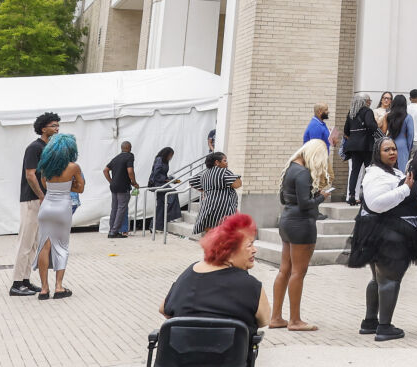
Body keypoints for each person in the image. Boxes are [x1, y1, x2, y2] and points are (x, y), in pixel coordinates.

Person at [346, 136, 417, 341]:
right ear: (378, 154)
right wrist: (404, 189)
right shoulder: (375, 175)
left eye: (394, 149)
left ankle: (370, 322)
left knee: (378, 279)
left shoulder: (392, 172)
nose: (392, 152)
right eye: (386, 150)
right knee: (389, 279)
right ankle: (384, 327)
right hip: (383, 234)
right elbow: (375, 203)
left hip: (381, 232)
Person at [161, 212, 270, 332]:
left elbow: (164, 310)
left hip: (182, 349)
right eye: (250, 245)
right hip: (231, 350)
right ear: (229, 251)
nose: (255, 250)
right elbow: (264, 320)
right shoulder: (251, 286)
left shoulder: (189, 275)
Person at [270, 138, 329, 331]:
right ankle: (295, 320)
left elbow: (282, 197)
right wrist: (321, 196)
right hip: (301, 224)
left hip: (286, 220)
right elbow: (306, 204)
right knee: (298, 272)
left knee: (284, 270)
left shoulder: (290, 168)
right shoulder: (303, 173)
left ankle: (276, 317)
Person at [10, 112, 60, 297]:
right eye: (53, 125)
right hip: (32, 199)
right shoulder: (34, 148)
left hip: (43, 199)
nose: (57, 128)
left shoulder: (48, 148)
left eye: (58, 125)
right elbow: (30, 174)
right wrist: (41, 195)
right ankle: (16, 283)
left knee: (34, 243)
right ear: (43, 128)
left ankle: (25, 280)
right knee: (25, 240)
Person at [35, 133, 85, 299]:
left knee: (44, 246)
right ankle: (58, 287)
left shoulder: (45, 166)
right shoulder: (73, 167)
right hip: (63, 207)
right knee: (61, 247)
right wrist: (67, 186)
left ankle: (43, 289)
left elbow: (45, 186)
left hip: (46, 207)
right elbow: (80, 188)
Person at [193, 151, 241, 233]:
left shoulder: (204, 174)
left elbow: (192, 180)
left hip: (207, 205)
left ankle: (212, 244)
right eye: (225, 161)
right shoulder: (224, 172)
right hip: (223, 206)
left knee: (210, 228)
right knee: (225, 230)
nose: (227, 163)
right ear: (217, 162)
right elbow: (237, 184)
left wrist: (205, 190)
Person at [343, 94, 377, 206]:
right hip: (366, 146)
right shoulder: (367, 111)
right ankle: (368, 195)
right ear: (363, 102)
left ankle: (351, 196)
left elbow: (346, 130)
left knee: (355, 171)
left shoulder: (351, 113)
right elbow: (371, 125)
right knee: (369, 171)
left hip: (353, 147)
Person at [102, 140, 139, 238]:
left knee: (114, 208)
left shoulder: (116, 158)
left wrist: (111, 181)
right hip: (123, 186)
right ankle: (114, 231)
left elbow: (105, 170)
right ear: (129, 148)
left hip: (114, 186)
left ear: (122, 148)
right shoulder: (130, 156)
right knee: (121, 208)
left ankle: (111, 230)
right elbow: (130, 171)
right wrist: (134, 182)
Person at [148, 147, 183, 231]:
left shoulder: (164, 161)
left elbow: (162, 173)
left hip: (162, 183)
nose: (171, 157)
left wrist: (170, 179)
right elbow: (156, 174)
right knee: (172, 193)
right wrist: (166, 179)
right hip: (157, 183)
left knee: (161, 205)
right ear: (166, 154)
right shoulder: (159, 159)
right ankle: (170, 216)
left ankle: (155, 226)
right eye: (170, 155)